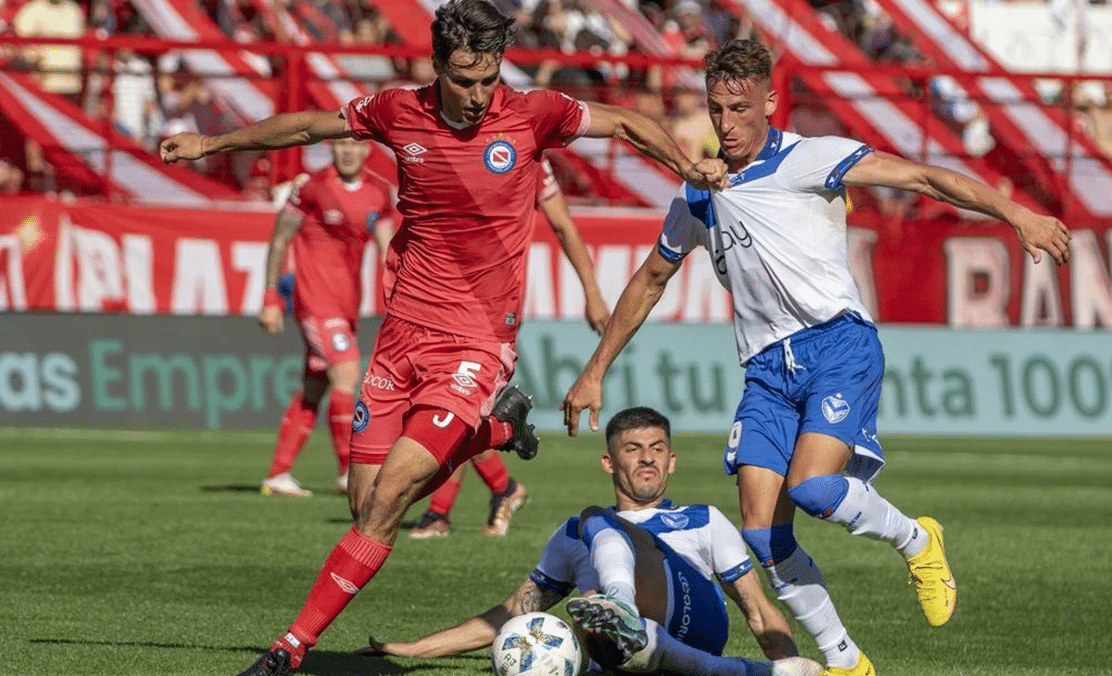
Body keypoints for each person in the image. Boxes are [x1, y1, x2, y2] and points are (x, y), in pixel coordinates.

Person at [159, 1, 727, 674]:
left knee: (393, 498)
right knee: (365, 502)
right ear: (437, 68)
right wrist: (211, 144)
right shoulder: (397, 111)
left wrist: (688, 168)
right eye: (465, 81)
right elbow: (310, 125)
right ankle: (496, 432)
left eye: (489, 80)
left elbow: (631, 121)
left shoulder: (533, 113)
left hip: (476, 343)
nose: (480, 96)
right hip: (401, 335)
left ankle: (290, 647)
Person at [561, 39, 1072, 676]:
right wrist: (595, 369)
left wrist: (1013, 212)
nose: (727, 124)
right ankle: (845, 660)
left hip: (838, 344)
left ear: (770, 103)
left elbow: (920, 176)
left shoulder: (811, 159)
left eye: (740, 108)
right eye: (716, 109)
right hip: (766, 372)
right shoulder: (698, 197)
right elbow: (649, 281)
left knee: (813, 488)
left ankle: (919, 538)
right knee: (760, 533)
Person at [357, 406, 820, 676]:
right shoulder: (572, 539)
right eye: (633, 449)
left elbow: (757, 609)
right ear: (608, 462)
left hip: (697, 624)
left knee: (595, 526)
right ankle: (631, 632)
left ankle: (620, 610)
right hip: (631, 656)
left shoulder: (703, 520)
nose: (647, 460)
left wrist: (788, 656)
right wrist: (415, 649)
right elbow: (518, 610)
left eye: (657, 449)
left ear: (672, 461)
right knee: (590, 588)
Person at [408, 158, 610, 538]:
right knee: (448, 411)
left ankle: (441, 513)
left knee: (456, 408)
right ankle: (502, 488)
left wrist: (593, 293)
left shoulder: (527, 158)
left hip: (492, 311)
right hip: (443, 304)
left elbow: (564, 226)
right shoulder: (447, 147)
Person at [258, 137, 395, 498]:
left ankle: (278, 473)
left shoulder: (380, 192)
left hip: (348, 304)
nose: (348, 150)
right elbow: (279, 240)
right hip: (315, 301)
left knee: (315, 386)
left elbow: (388, 249)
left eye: (356, 144)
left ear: (368, 150)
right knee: (348, 371)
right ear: (331, 148)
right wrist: (272, 296)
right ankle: (349, 470)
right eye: (341, 144)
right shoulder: (311, 188)